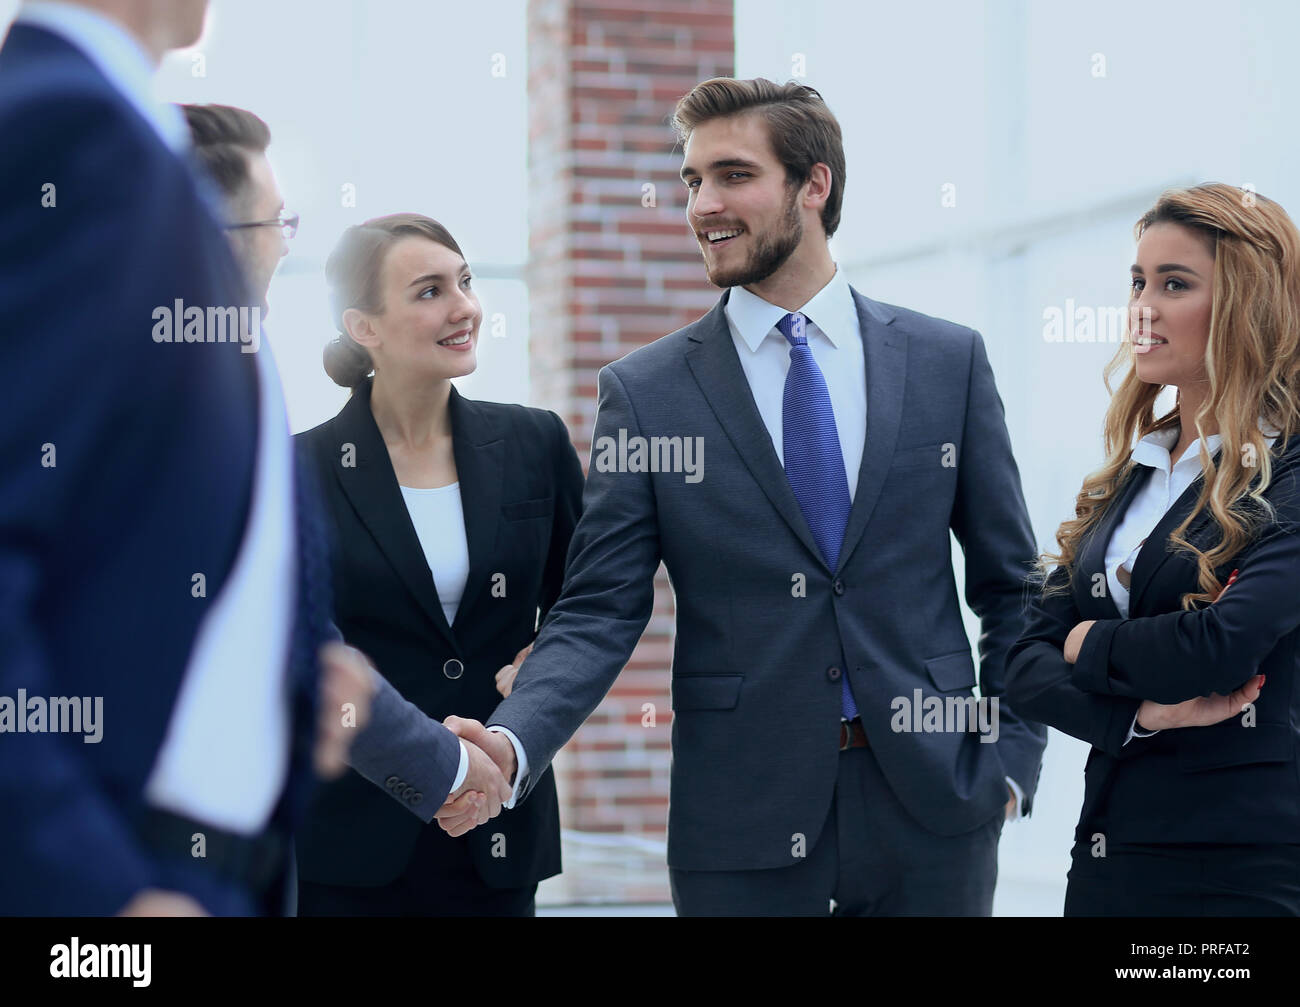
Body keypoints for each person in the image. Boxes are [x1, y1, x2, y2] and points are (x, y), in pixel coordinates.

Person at [440, 77, 1048, 916]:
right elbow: (599, 609)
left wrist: (1013, 757)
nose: (701, 205)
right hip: (742, 819)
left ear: (814, 184)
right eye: (691, 180)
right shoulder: (646, 392)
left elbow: (1013, 586)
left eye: (732, 175)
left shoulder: (948, 362)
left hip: (937, 808)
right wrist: (512, 745)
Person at [0, 1, 371, 917]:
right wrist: (101, 891)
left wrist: (281, 671)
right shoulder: (69, 128)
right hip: (111, 881)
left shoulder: (117, 139)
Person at [1006, 182, 1300, 916]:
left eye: (1174, 284)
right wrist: (1141, 712)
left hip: (1244, 868)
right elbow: (1019, 662)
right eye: (1138, 281)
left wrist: (1083, 639)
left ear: (1247, 303)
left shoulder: (1288, 467)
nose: (1143, 305)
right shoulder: (1130, 472)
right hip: (1111, 854)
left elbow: (1221, 645)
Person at [293, 213, 583, 916]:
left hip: (499, 833)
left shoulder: (534, 441)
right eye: (429, 291)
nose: (464, 307)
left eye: (465, 281)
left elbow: (585, 605)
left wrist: (543, 658)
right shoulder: (297, 466)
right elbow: (301, 645)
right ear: (364, 326)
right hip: (351, 837)